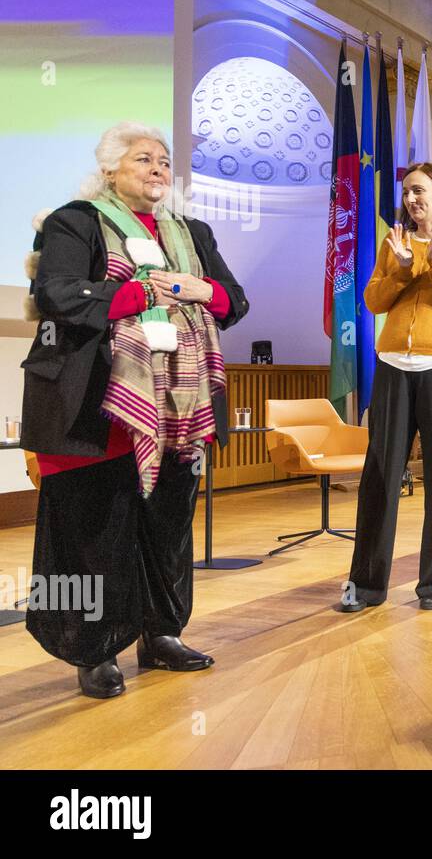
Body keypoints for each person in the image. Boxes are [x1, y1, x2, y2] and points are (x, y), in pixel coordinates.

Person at [22, 122, 248, 699]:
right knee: (90, 529)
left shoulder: (192, 232)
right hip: (94, 403)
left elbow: (233, 300)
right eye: (143, 158)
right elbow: (58, 294)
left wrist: (197, 291)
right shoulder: (76, 220)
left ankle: (161, 634)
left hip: (178, 406)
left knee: (167, 526)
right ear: (109, 171)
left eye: (165, 161)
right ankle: (92, 649)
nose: (157, 169)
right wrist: (143, 292)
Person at [342, 162, 432, 614]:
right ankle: (365, 586)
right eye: (406, 192)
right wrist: (402, 269)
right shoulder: (395, 242)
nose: (411, 199)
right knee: (381, 476)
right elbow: (373, 300)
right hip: (393, 367)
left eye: (420, 191)